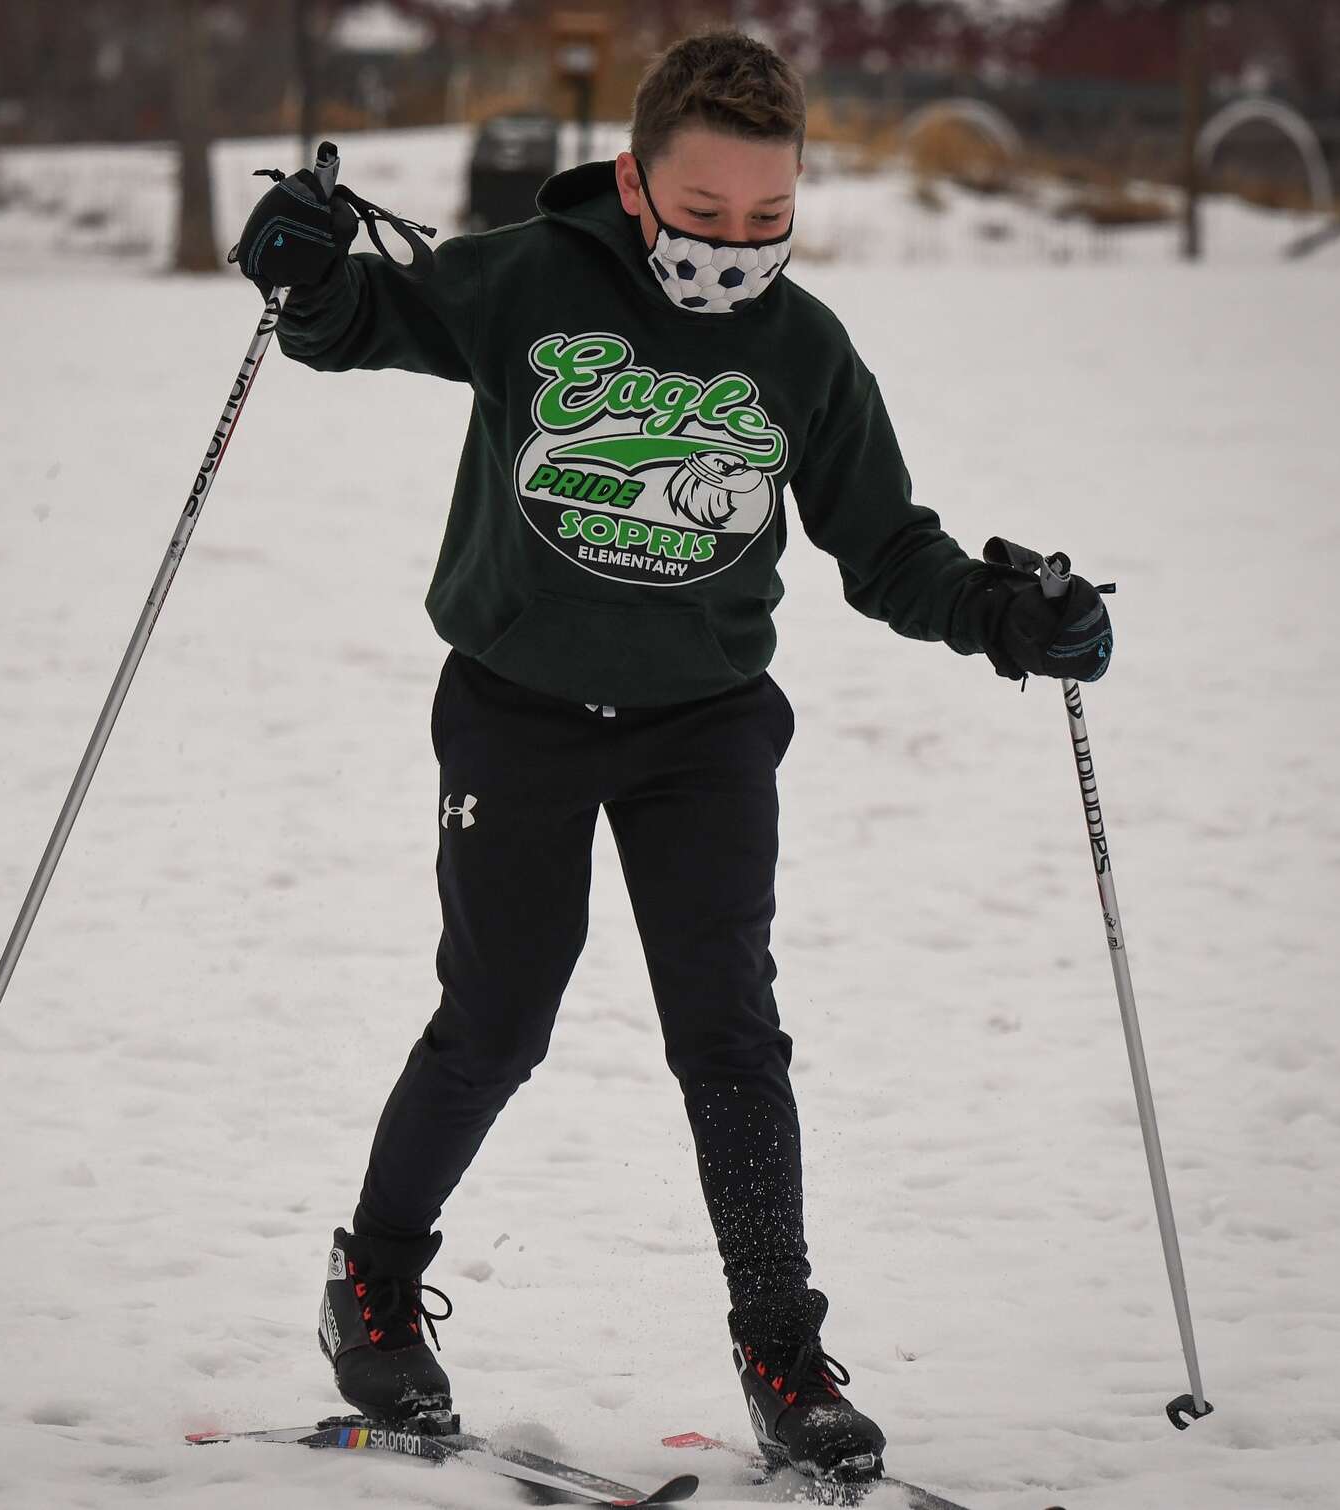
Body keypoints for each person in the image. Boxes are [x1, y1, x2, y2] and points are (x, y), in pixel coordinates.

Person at [233, 29, 1112, 1481]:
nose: (736, 246)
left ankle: (783, 1352)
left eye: (770, 217)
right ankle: (370, 1286)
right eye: (705, 213)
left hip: (703, 731)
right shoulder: (525, 281)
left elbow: (888, 550)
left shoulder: (804, 350)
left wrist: (1012, 618)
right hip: (516, 711)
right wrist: (306, 267)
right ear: (636, 184)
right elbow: (353, 322)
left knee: (730, 1034)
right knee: (498, 1018)